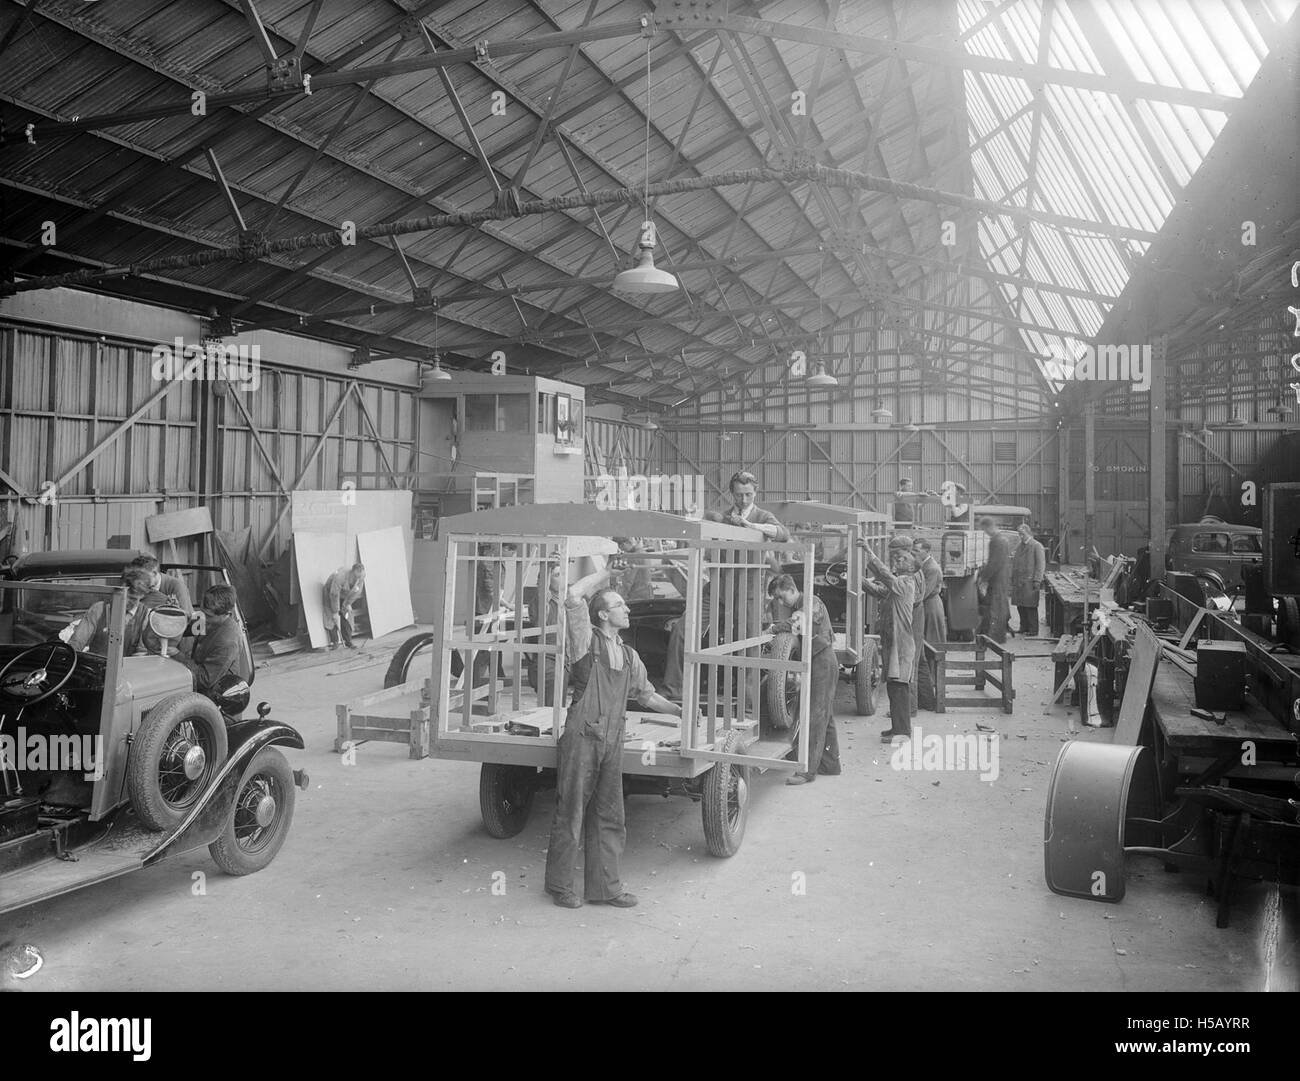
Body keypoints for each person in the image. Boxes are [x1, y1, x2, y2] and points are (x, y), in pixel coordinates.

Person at [544, 566, 682, 910]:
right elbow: (573, 597)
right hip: (582, 735)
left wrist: (680, 712)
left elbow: (647, 696)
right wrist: (606, 572)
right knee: (571, 811)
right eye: (620, 605)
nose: (628, 610)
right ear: (604, 614)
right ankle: (560, 886)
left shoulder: (630, 655)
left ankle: (605, 888)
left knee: (610, 814)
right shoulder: (584, 640)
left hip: (612, 739)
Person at [766, 575, 839, 785]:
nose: (780, 602)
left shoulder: (810, 602)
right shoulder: (799, 605)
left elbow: (797, 624)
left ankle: (807, 771)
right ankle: (831, 764)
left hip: (823, 661)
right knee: (825, 715)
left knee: (815, 717)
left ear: (790, 589)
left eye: (781, 597)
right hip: (817, 660)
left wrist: (772, 629)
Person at [859, 536, 917, 743]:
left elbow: (886, 578)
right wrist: (859, 580)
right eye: (896, 559)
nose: (896, 562)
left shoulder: (905, 583)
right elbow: (879, 590)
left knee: (899, 688)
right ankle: (897, 728)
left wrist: (869, 553)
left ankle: (903, 733)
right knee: (894, 687)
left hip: (901, 645)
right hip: (895, 643)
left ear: (910, 566)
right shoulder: (899, 585)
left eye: (901, 560)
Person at [63, 568, 166, 656]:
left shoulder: (145, 617)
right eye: (122, 596)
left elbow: (141, 654)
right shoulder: (98, 609)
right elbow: (77, 642)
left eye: (133, 599)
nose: (126, 602)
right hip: (94, 671)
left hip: (126, 674)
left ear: (143, 596)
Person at [176, 585, 254, 696]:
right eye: (201, 611)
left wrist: (176, 655)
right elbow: (187, 629)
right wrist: (175, 616)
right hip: (196, 682)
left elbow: (205, 680)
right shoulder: (207, 618)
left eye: (208, 615)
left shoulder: (227, 641)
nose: (202, 617)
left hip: (214, 697)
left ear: (227, 614)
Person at [720, 471, 789, 542]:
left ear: (755, 493)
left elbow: (784, 535)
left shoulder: (764, 516)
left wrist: (751, 526)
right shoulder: (723, 516)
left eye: (748, 494)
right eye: (739, 495)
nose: (744, 500)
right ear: (732, 493)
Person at [976, 517, 1011, 644]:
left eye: (984, 530)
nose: (985, 532)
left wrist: (983, 578)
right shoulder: (1001, 539)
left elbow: (994, 563)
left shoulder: (997, 541)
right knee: (998, 606)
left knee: (995, 607)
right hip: (1001, 578)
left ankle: (995, 637)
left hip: (997, 580)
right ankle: (995, 635)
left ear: (988, 527)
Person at [1010, 524, 1046, 637]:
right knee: (1020, 605)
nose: (1021, 536)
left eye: (1023, 534)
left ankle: (1033, 630)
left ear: (1028, 533)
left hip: (1030, 582)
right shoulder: (1020, 546)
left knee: (1030, 606)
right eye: (1019, 534)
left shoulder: (1036, 546)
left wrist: (1037, 580)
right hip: (1019, 581)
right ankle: (1023, 627)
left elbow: (1040, 565)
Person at [129, 554, 193, 614]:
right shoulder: (142, 586)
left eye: (143, 576)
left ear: (154, 573)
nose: (140, 581)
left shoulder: (177, 586)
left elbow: (184, 616)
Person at [323, 562, 365, 649]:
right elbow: (334, 594)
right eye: (356, 577)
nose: (357, 579)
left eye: (359, 577)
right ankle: (335, 641)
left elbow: (357, 592)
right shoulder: (341, 576)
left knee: (347, 615)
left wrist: (348, 603)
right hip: (331, 592)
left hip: (344, 595)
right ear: (352, 572)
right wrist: (335, 611)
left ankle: (348, 641)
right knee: (331, 616)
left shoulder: (361, 577)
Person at [915, 538, 948, 644]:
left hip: (930, 606)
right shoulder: (923, 564)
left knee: (932, 640)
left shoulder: (932, 568)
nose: (914, 553)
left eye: (917, 551)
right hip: (926, 604)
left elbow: (924, 592)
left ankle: (936, 660)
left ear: (928, 551)